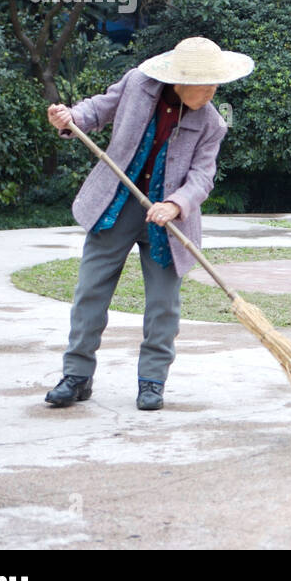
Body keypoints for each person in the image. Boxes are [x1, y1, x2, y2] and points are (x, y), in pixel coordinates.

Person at [43, 37, 253, 411]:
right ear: (181, 79)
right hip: (115, 204)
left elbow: (203, 177)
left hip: (169, 221)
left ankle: (152, 382)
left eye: (215, 84)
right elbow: (99, 108)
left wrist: (175, 204)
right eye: (205, 83)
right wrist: (71, 117)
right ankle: (76, 376)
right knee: (90, 290)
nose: (212, 92)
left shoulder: (212, 124)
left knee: (163, 304)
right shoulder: (138, 83)